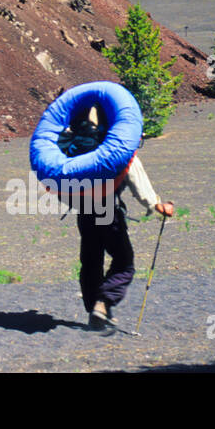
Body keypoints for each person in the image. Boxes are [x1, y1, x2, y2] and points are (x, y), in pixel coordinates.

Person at [61, 106, 174, 331]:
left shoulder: (77, 149)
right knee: (124, 261)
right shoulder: (119, 150)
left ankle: (95, 309)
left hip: (84, 212)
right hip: (108, 212)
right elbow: (140, 186)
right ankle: (103, 304)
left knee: (91, 261)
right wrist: (157, 205)